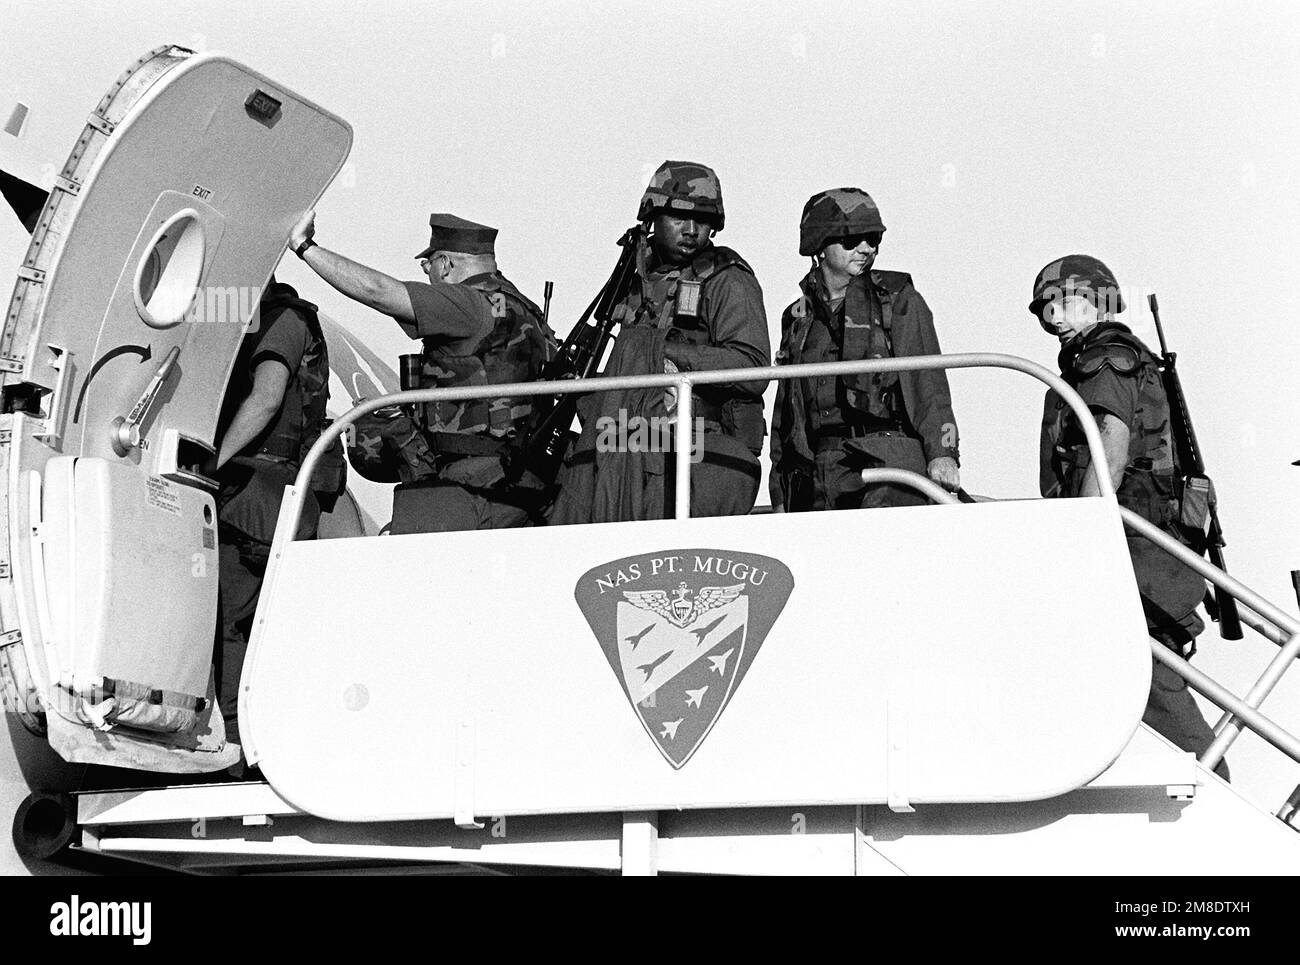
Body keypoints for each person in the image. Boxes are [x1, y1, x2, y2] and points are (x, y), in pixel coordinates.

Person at [1032, 254, 1228, 779]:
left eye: (1059, 301)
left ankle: (1215, 791)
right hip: (1147, 546)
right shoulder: (1113, 355)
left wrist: (1085, 531)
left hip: (1131, 548)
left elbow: (1109, 444)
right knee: (1140, 681)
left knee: (1151, 682)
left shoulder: (1105, 357)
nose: (1050, 316)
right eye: (1044, 307)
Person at [289, 210, 555, 533]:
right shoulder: (527, 310)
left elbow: (378, 291)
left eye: (428, 265)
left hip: (471, 489)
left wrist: (305, 247)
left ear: (446, 264)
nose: (428, 273)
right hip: (515, 487)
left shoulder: (470, 304)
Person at [548, 160, 770, 523]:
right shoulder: (636, 278)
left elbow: (752, 368)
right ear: (654, 217)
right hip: (629, 442)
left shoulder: (727, 280)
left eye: (702, 220)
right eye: (679, 218)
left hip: (698, 444)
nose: (692, 230)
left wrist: (662, 351)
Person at [769, 188, 960, 512]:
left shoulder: (897, 299)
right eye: (851, 239)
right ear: (818, 244)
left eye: (872, 239)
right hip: (816, 469)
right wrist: (780, 487)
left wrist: (943, 454)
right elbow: (787, 408)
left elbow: (927, 383)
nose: (865, 248)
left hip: (885, 462)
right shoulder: (798, 316)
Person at [213, 278, 332, 752]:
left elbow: (266, 398)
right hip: (283, 497)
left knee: (228, 623)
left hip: (257, 495)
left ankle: (236, 747)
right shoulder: (281, 314)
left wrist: (211, 463)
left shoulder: (281, 319)